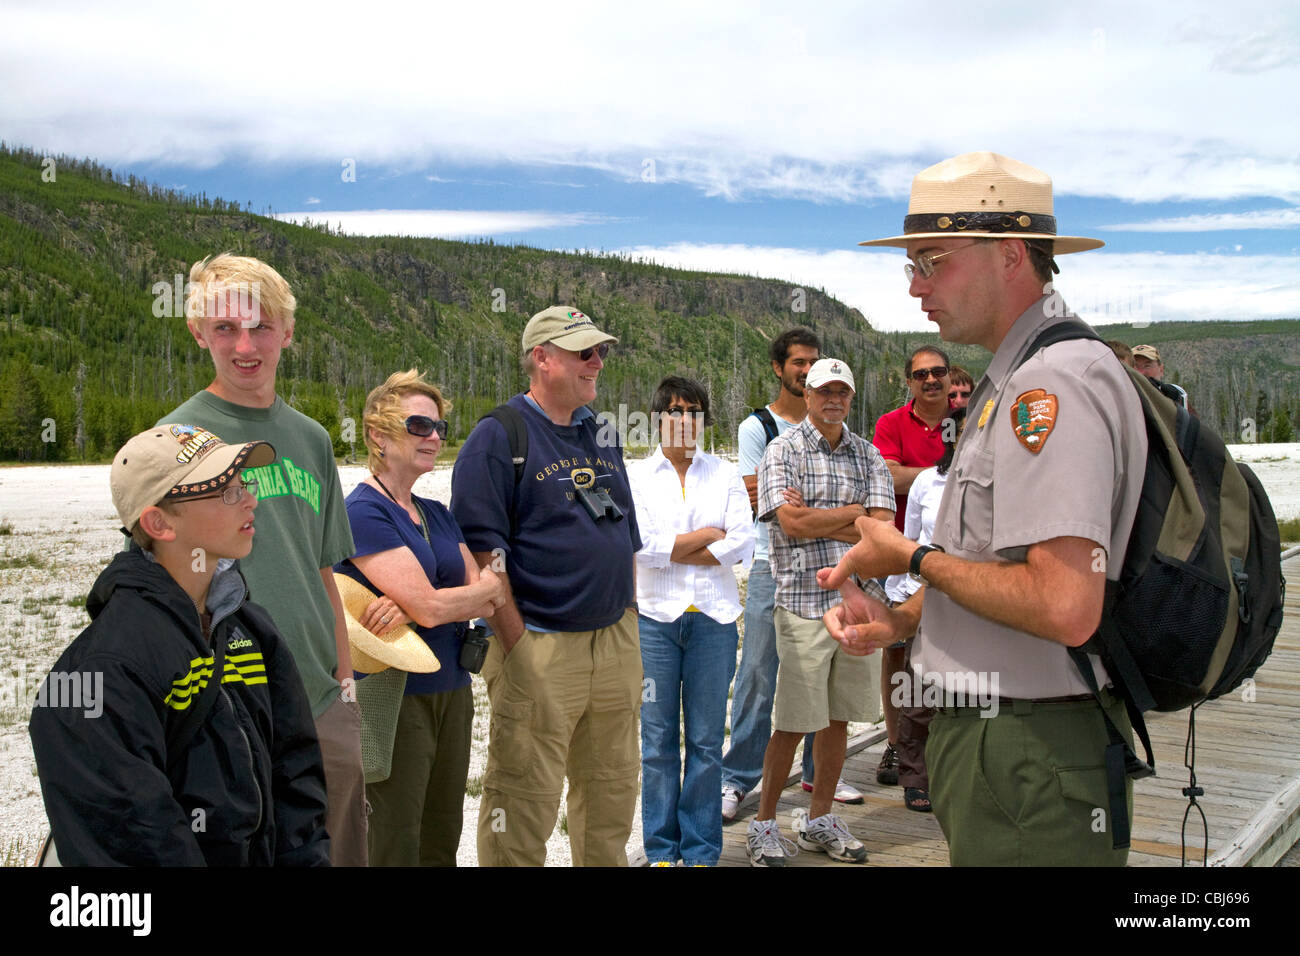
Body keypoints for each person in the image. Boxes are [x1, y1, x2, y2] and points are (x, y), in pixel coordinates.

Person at [824, 151, 1148, 866]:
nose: (915, 288)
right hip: (1006, 744)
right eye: (911, 265)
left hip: (1030, 750)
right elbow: (992, 572)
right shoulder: (1014, 380)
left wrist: (909, 558)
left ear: (1009, 256)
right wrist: (902, 620)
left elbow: (1065, 604)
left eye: (931, 261)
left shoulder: (1052, 384)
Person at [30, 425, 330, 865]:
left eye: (244, 483)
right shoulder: (101, 672)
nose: (250, 499)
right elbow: (135, 839)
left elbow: (296, 775)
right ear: (158, 522)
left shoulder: (248, 628)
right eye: (224, 491)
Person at [163, 254, 365, 866]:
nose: (245, 345)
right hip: (227, 695)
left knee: (337, 847)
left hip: (321, 695)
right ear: (198, 333)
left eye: (261, 327)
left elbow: (324, 567)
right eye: (225, 328)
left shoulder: (311, 438)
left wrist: (346, 676)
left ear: (288, 331)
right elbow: (158, 589)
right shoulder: (176, 439)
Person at [451, 305, 642, 867]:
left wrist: (626, 612)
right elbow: (482, 552)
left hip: (614, 641)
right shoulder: (499, 434)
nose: (597, 362)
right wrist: (516, 644)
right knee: (523, 796)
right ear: (542, 358)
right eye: (584, 351)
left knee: (611, 792)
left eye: (601, 351)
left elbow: (624, 531)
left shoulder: (600, 431)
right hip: (539, 641)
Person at [334, 370, 505, 866]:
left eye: (439, 429)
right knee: (393, 836)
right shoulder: (364, 512)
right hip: (395, 695)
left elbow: (489, 593)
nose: (434, 437)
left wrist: (414, 603)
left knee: (442, 831)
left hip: (452, 689)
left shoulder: (435, 511)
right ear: (377, 434)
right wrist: (430, 603)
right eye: (419, 425)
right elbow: (443, 602)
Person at [748, 358, 895, 866]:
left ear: (851, 398)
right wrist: (854, 514)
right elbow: (790, 524)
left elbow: (880, 533)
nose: (833, 400)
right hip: (804, 605)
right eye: (823, 391)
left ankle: (818, 819)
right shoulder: (781, 450)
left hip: (857, 601)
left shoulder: (869, 454)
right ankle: (764, 824)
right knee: (792, 719)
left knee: (837, 720)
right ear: (806, 395)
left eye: (842, 392)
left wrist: (826, 519)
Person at [722, 328, 865, 821]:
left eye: (814, 362)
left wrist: (807, 505)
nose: (807, 370)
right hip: (770, 563)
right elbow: (754, 497)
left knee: (820, 673)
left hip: (830, 564)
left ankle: (815, 770)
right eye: (798, 363)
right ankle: (738, 778)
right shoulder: (758, 426)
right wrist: (829, 509)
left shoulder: (834, 424)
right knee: (760, 671)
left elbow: (863, 513)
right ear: (778, 369)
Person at [630, 376, 754, 866]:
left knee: (705, 741)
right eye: (676, 410)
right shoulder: (637, 477)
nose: (686, 420)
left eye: (695, 411)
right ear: (659, 417)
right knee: (657, 741)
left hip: (713, 621)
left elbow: (741, 542)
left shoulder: (723, 474)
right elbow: (638, 545)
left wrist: (673, 550)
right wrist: (705, 538)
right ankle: (662, 849)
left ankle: (701, 850)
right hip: (656, 621)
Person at [870, 345, 953, 810]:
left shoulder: (966, 417)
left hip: (958, 558)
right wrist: (941, 476)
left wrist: (924, 477)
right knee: (898, 653)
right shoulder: (891, 424)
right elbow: (891, 479)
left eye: (938, 372)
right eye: (921, 374)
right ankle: (896, 741)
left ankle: (934, 748)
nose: (931, 380)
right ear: (909, 381)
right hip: (900, 555)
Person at [880, 405, 965, 811]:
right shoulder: (928, 483)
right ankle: (916, 777)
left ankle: (962, 774)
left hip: (975, 599)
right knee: (918, 693)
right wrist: (898, 595)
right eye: (960, 433)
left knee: (970, 691)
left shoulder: (996, 482)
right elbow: (908, 541)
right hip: (923, 596)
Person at [1132, 344, 1190, 409]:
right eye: (1135, 366)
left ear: (1161, 369)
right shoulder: (1123, 398)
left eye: (1147, 366)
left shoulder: (1176, 394)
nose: (1141, 373)